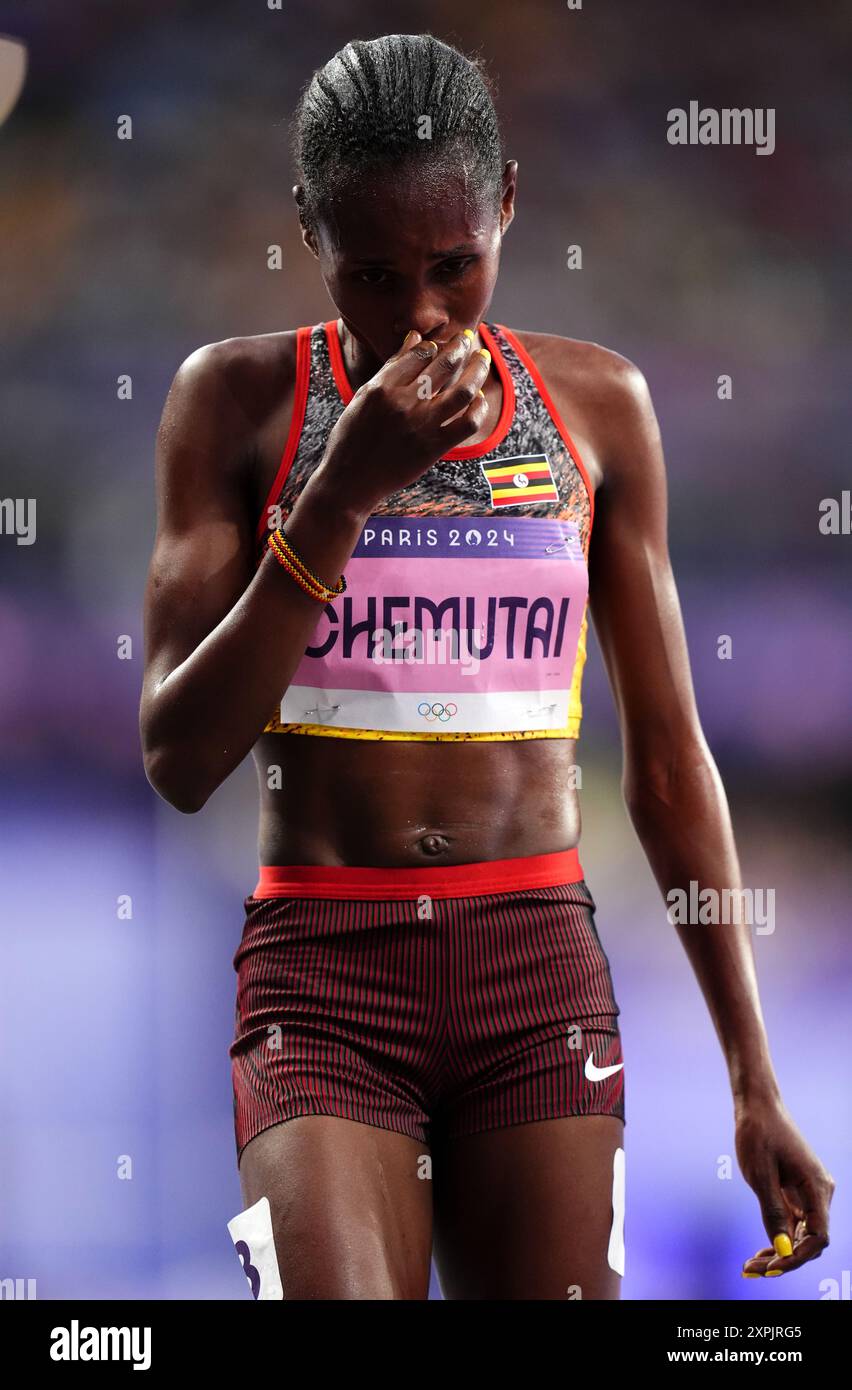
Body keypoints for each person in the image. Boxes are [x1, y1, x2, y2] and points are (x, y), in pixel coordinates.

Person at [139, 33, 834, 1300]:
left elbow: (672, 764)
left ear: (509, 201)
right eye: (374, 273)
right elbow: (179, 757)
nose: (421, 314)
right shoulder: (236, 403)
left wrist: (754, 1074)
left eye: (457, 264)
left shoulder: (599, 408)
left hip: (535, 973)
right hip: (324, 976)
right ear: (309, 229)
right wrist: (341, 493)